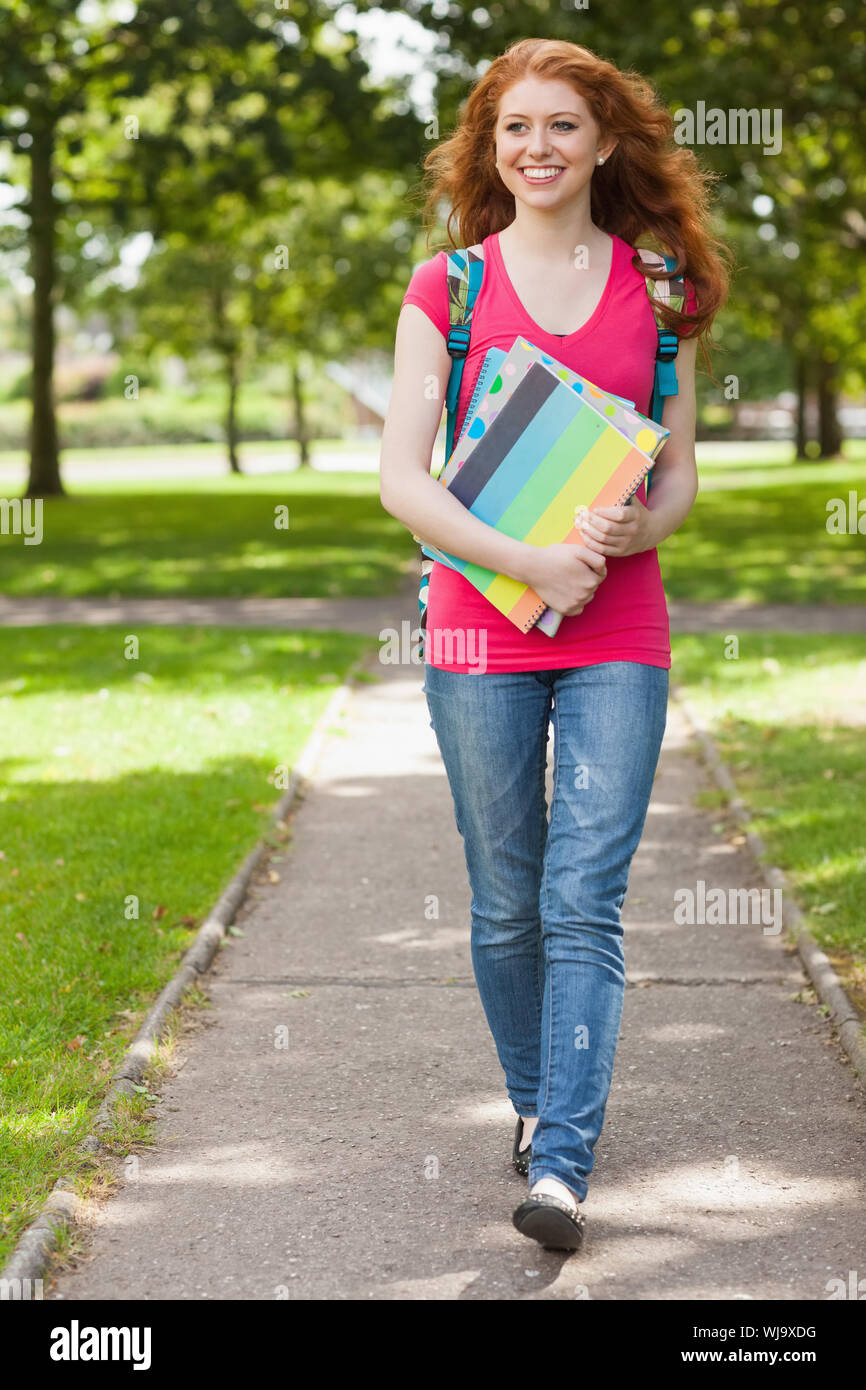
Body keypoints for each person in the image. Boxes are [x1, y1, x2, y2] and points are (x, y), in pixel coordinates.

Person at [379, 37, 731, 1251]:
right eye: (513, 128)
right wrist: (524, 561)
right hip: (479, 625)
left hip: (617, 625)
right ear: (489, 147)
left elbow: (678, 474)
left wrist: (639, 522)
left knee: (583, 895)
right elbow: (399, 480)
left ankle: (562, 1167)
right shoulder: (449, 289)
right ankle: (536, 1103)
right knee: (504, 898)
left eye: (561, 126)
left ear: (605, 143)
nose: (536, 147)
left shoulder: (663, 287)